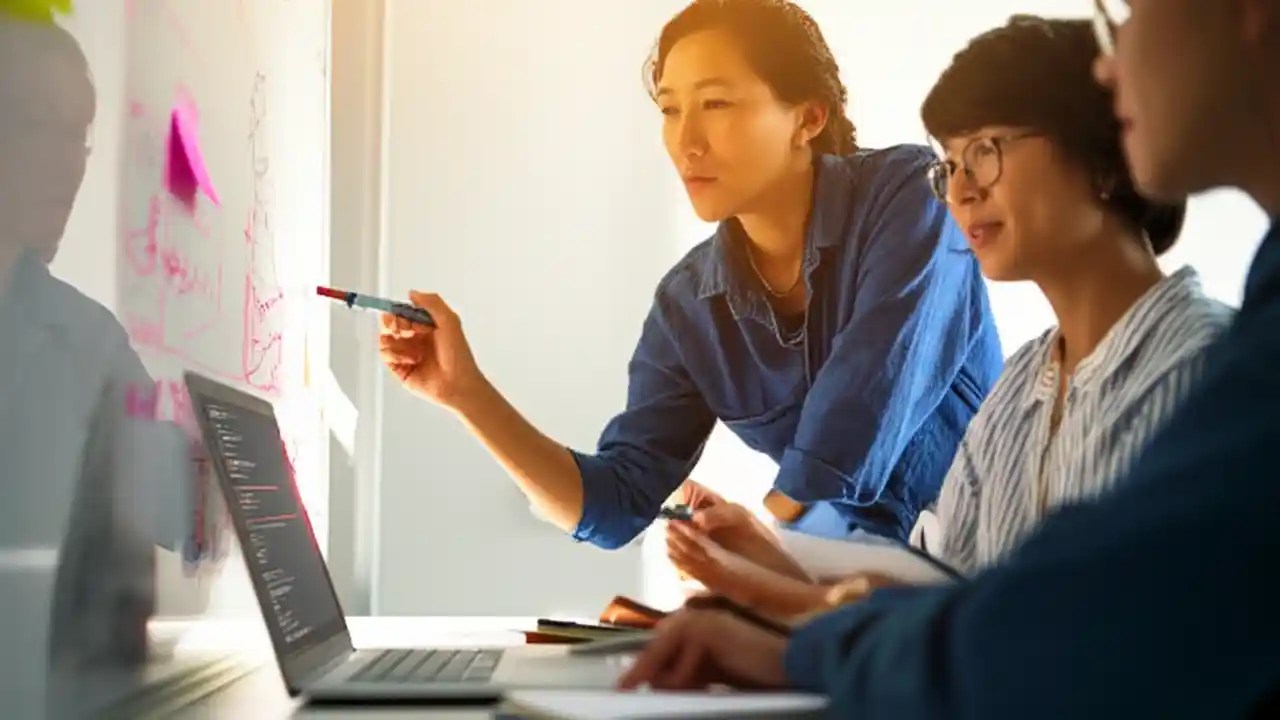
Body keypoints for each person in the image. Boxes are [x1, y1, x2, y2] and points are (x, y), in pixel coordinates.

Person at [618, 2, 1280, 716]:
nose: (961, 190)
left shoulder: (1205, 371)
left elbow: (1075, 636)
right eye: (950, 165)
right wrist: (770, 580)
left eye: (988, 151)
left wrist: (790, 635)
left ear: (1104, 156)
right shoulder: (1019, 389)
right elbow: (961, 602)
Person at [380, 0, 1003, 553]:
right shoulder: (689, 305)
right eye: (670, 110)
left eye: (716, 104)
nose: (686, 141)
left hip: (999, 585)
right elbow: (617, 503)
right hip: (845, 609)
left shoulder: (915, 195)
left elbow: (862, 404)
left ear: (807, 118)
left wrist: (761, 551)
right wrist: (466, 393)